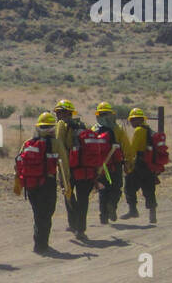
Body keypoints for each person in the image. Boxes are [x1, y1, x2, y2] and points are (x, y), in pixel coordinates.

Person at [15, 112, 63, 254]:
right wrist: (66, 184)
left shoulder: (28, 143)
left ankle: (39, 243)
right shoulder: (56, 143)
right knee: (47, 213)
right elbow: (64, 165)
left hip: (30, 183)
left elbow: (18, 163)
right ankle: (41, 244)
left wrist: (18, 183)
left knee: (38, 213)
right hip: (48, 183)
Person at [54, 99, 92, 240]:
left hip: (68, 167)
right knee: (83, 198)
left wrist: (61, 168)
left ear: (62, 113)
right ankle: (80, 229)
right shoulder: (83, 125)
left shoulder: (61, 125)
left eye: (58, 112)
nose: (57, 115)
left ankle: (73, 222)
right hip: (84, 168)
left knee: (68, 194)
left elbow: (59, 146)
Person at [92, 102, 131, 226]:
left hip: (101, 167)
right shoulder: (117, 129)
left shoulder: (93, 130)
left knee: (103, 189)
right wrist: (128, 162)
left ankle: (103, 217)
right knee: (116, 188)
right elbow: (126, 147)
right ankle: (112, 205)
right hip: (115, 166)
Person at [122, 108, 161, 223]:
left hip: (139, 164)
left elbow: (132, 149)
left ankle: (133, 210)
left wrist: (128, 162)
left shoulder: (139, 130)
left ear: (139, 120)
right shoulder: (149, 130)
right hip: (149, 166)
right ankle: (152, 214)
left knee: (129, 187)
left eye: (133, 120)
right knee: (149, 189)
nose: (132, 122)